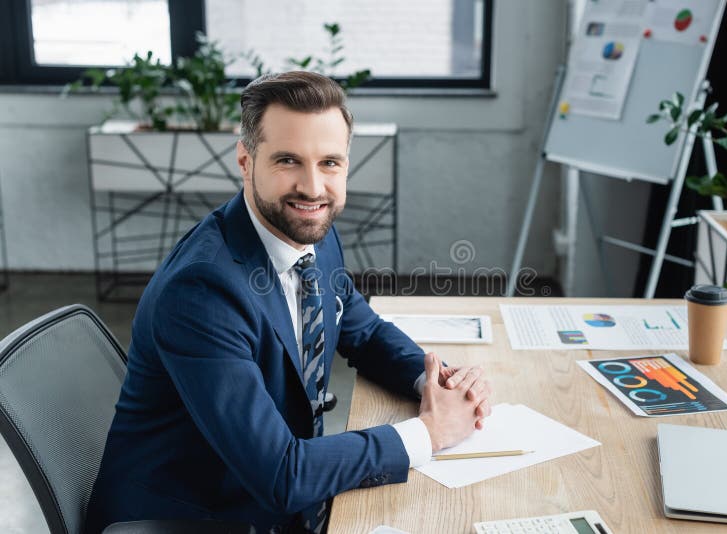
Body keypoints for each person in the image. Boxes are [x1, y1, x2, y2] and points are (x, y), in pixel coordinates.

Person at [85, 71, 491, 534]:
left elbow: (363, 329)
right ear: (245, 160)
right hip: (195, 518)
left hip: (277, 500)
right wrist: (430, 433)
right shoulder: (202, 290)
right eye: (288, 161)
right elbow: (281, 473)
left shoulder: (310, 227)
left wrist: (434, 380)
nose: (313, 187)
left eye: (330, 163)